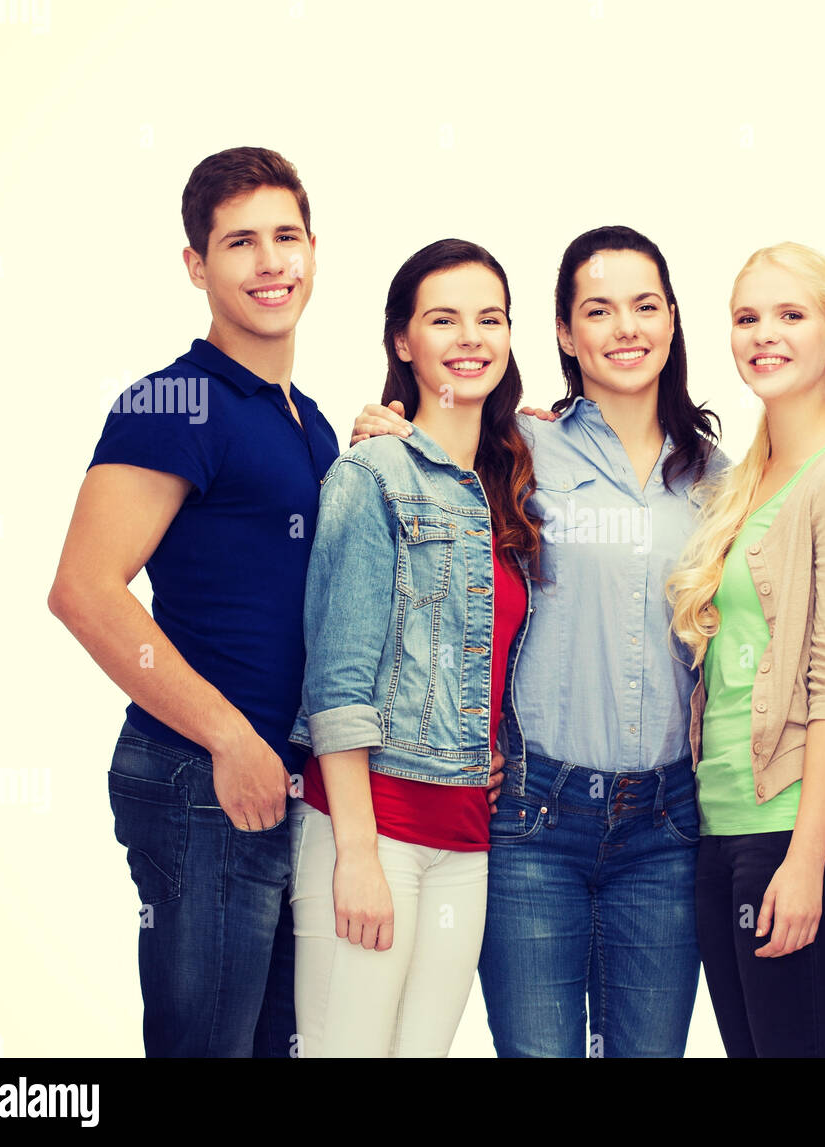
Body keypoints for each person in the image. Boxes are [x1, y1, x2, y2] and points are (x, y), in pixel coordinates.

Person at [351, 225, 728, 1057]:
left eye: (645, 306)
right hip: (533, 817)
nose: (626, 328)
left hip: (667, 828)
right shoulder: (515, 448)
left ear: (672, 318)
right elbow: (428, 549)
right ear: (564, 332)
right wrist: (385, 428)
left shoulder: (718, 479)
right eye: (599, 309)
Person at [47, 147, 339, 1057]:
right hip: (202, 779)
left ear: (313, 250)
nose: (270, 262)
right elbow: (85, 592)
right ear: (196, 266)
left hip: (285, 782)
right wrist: (227, 737)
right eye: (240, 242)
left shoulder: (308, 417)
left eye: (285, 237)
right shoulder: (176, 400)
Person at [287, 239, 539, 1057]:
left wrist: (494, 747)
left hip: (466, 837)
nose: (471, 338)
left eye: (489, 318)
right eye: (444, 319)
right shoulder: (372, 473)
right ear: (404, 340)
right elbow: (338, 684)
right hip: (375, 830)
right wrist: (356, 856)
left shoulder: (503, 486)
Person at [668, 242, 825, 1057]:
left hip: (796, 829)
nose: (764, 334)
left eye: (790, 315)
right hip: (721, 824)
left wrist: (807, 855)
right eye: (747, 317)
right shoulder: (739, 482)